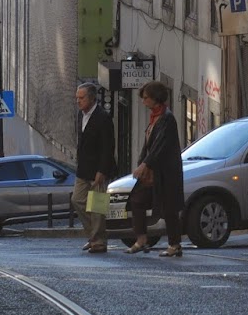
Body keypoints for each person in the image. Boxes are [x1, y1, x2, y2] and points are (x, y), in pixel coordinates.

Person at [128, 80, 184, 257]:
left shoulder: (167, 118)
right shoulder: (155, 118)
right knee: (137, 201)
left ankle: (174, 245)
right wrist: (142, 163)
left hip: (165, 173)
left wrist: (145, 164)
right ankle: (142, 239)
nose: (143, 102)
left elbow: (160, 146)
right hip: (152, 172)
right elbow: (149, 145)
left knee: (169, 209)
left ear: (155, 99)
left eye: (146, 98)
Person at [73, 82, 116, 254]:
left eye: (81, 98)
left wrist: (102, 171)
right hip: (83, 168)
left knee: (97, 207)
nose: (78, 101)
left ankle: (98, 242)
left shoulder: (102, 117)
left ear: (91, 98)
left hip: (98, 169)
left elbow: (108, 146)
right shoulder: (80, 115)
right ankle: (93, 235)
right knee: (77, 200)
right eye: (77, 98)